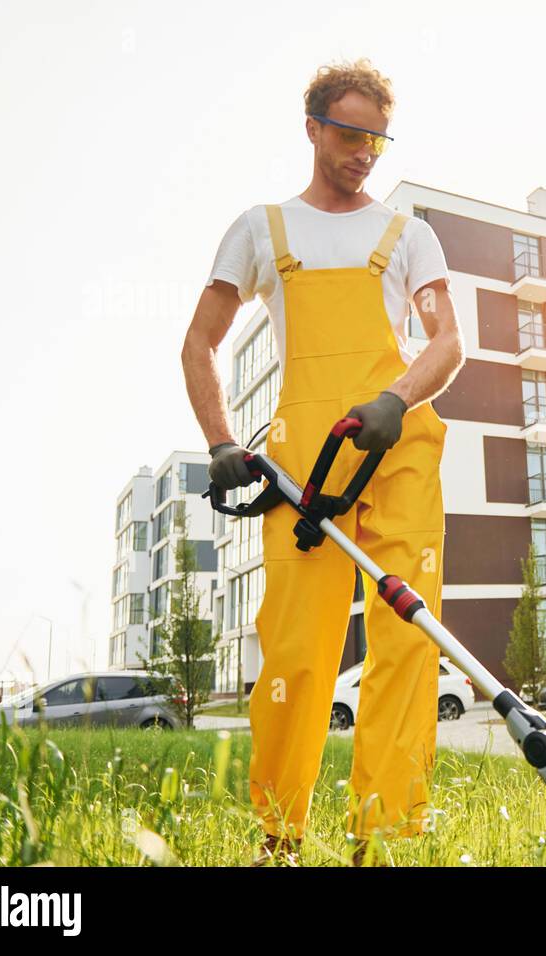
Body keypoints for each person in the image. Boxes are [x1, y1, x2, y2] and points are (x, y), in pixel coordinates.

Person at [181, 58, 464, 866]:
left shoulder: (410, 235)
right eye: (349, 132)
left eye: (377, 137)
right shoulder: (261, 230)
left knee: (408, 641)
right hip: (305, 463)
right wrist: (221, 441)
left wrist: (397, 400)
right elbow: (199, 344)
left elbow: (448, 342)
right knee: (299, 653)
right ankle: (278, 837)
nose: (364, 151)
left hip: (396, 445)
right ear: (312, 128)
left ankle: (381, 836)